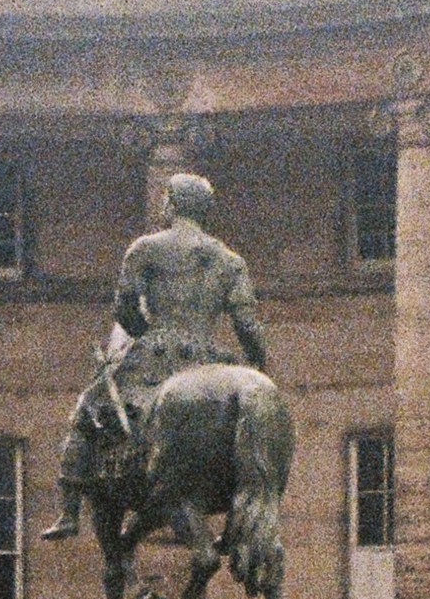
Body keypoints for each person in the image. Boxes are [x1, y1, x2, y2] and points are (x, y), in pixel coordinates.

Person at [52, 174, 269, 526]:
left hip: (156, 353)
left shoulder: (146, 249)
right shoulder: (231, 261)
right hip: (210, 359)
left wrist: (141, 333)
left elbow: (124, 308)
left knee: (87, 409)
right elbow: (247, 325)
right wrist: (259, 363)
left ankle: (69, 511)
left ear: (170, 204)